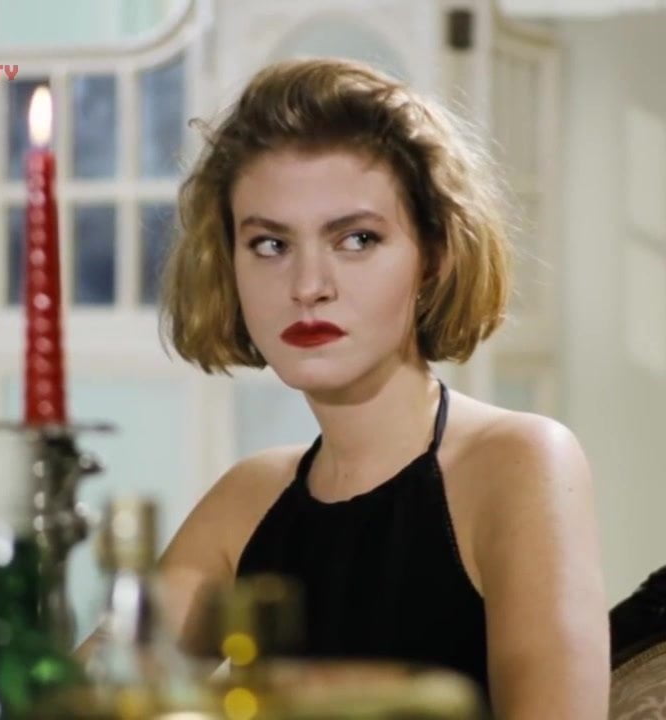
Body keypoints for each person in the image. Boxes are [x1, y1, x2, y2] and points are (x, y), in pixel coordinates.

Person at [119, 57, 612, 717]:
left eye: (356, 239)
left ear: (434, 256)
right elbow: (88, 698)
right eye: (270, 245)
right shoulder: (247, 499)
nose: (307, 286)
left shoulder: (516, 461)